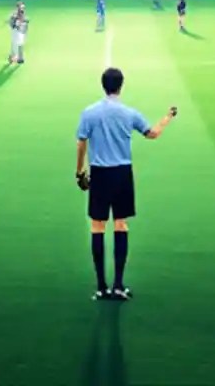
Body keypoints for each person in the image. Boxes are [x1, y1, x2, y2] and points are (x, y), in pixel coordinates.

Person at [75, 67, 178, 301]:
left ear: (103, 85)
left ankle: (101, 286)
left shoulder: (89, 113)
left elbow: (81, 143)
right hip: (122, 174)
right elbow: (152, 134)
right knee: (120, 225)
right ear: (120, 86)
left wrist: (79, 171)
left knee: (97, 227)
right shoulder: (129, 113)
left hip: (100, 174)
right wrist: (168, 117)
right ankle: (119, 285)